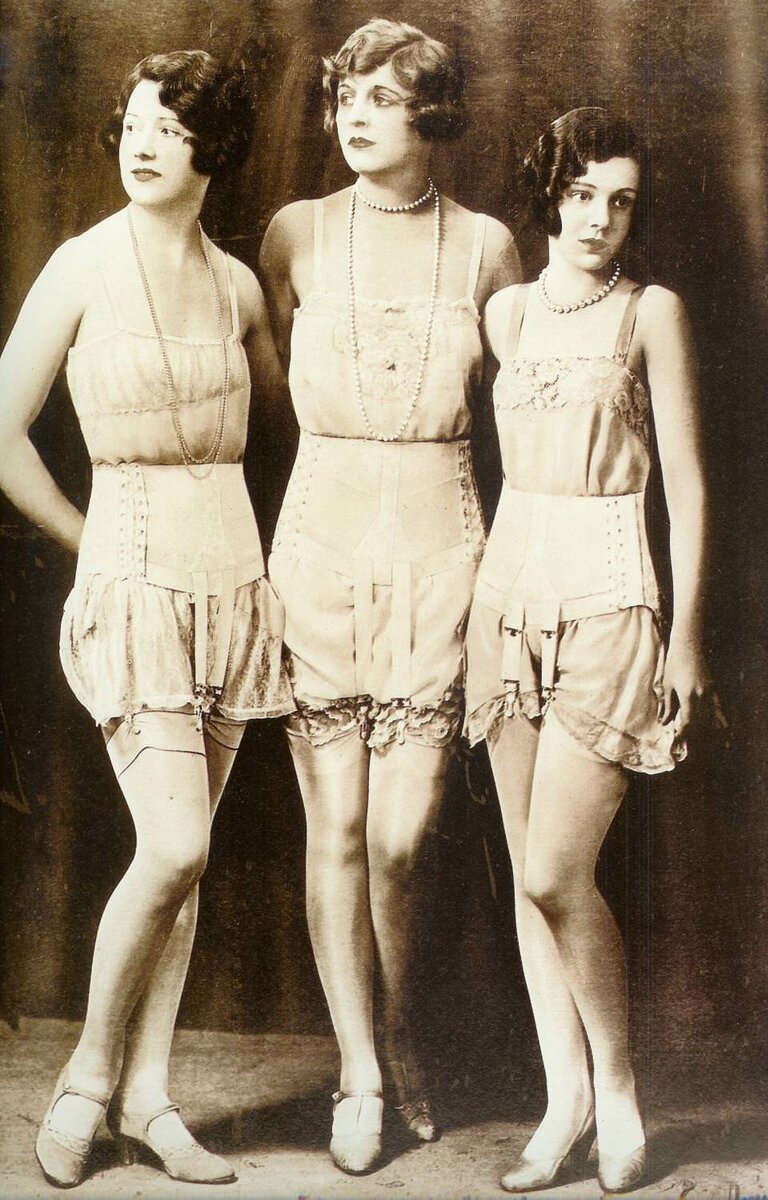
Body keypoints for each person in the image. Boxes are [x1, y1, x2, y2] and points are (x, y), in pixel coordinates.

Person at [0, 50, 293, 1188]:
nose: (142, 143)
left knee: (187, 861)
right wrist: (91, 544)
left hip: (233, 584)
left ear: (212, 148)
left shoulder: (238, 287)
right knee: (175, 845)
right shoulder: (81, 266)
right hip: (132, 586)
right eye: (131, 123)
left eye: (168, 128)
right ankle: (87, 1080)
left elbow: (293, 432)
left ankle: (151, 1097)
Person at [259, 18, 520, 1175]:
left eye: (380, 97)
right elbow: (271, 384)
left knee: (403, 838)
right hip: (319, 538)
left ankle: (404, 1027)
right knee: (337, 829)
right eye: (343, 98)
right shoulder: (295, 232)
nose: (353, 117)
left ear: (432, 113)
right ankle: (360, 1071)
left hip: (440, 541)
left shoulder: (487, 247)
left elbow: (524, 411)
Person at [465, 108, 718, 1193]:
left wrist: (686, 634)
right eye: (579, 194)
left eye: (619, 200)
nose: (597, 218)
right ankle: (561, 1097)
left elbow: (687, 485)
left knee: (556, 871)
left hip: (611, 596)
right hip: (505, 599)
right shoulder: (506, 313)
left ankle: (616, 1090)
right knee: (526, 882)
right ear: (548, 195)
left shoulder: (651, 312)